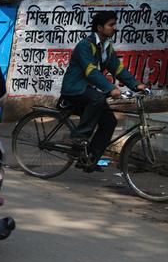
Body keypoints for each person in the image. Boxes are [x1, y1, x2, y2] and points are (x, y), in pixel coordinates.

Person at [60, 10, 147, 171]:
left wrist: (136, 85)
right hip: (75, 89)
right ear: (100, 27)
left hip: (88, 91)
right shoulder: (85, 46)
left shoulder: (107, 47)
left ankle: (89, 159)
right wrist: (110, 88)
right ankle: (78, 138)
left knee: (110, 121)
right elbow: (90, 70)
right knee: (98, 98)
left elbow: (118, 69)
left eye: (114, 24)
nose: (114, 28)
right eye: (111, 25)